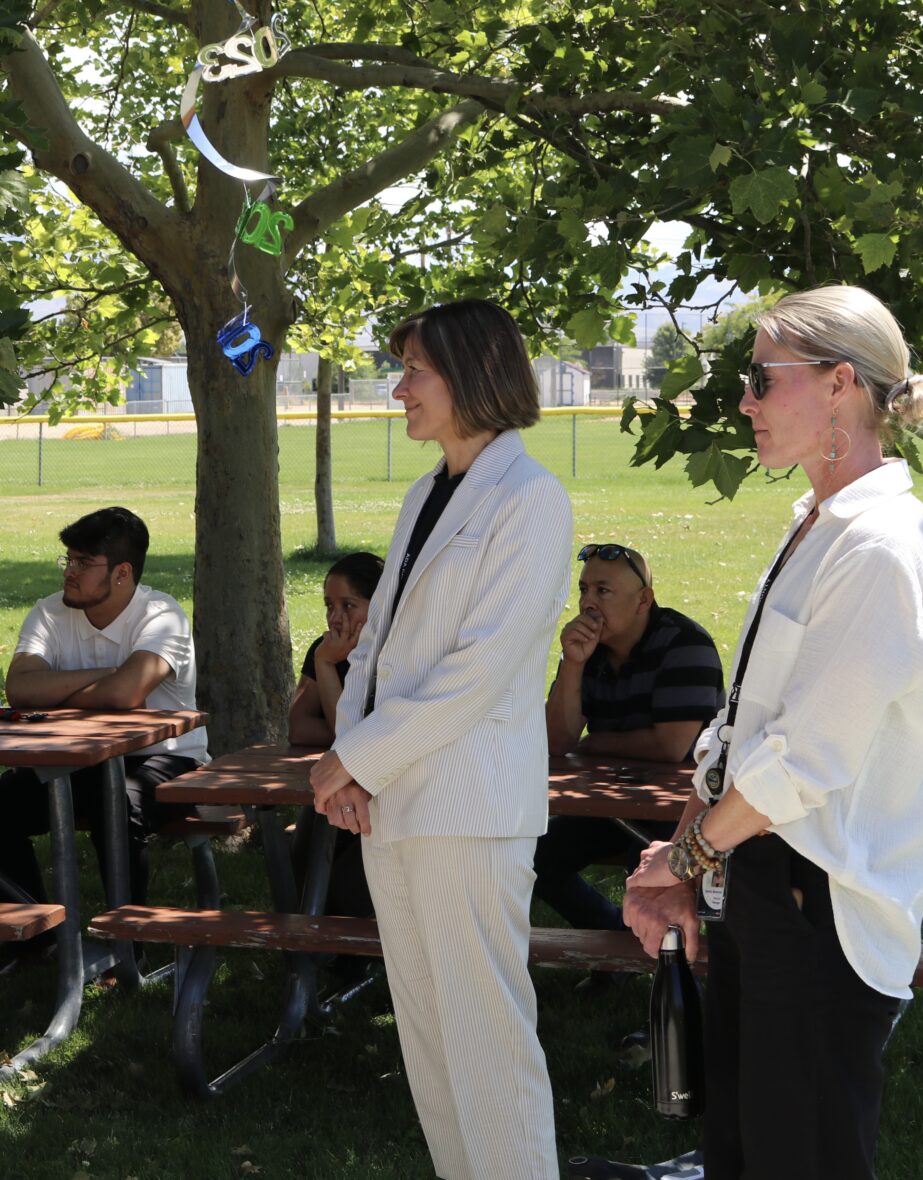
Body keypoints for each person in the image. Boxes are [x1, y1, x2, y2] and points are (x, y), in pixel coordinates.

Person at [624, 285, 923, 1180]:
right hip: (769, 885)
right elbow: (747, 732)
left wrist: (685, 861)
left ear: (840, 383)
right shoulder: (818, 522)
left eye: (763, 379)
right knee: (741, 1154)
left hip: (823, 910)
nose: (745, 403)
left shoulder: (879, 543)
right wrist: (688, 855)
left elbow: (802, 764)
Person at [310, 298, 572, 1180]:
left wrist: (355, 758)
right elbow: (376, 646)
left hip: (470, 811)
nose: (399, 389)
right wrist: (353, 763)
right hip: (395, 809)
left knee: (488, 1050)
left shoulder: (530, 499)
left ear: (471, 375)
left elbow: (480, 670)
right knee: (430, 1050)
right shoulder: (428, 492)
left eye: (414, 370)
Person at [1, 506, 209, 913]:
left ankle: (125, 942)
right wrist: (109, 674)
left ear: (122, 573)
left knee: (116, 805)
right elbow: (20, 688)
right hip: (73, 762)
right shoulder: (50, 612)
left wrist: (55, 692)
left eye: (83, 563)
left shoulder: (162, 616)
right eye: (68, 560)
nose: (69, 572)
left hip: (165, 760)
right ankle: (37, 936)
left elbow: (123, 695)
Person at [534, 543, 724, 938]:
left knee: (646, 871)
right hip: (612, 808)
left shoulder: (685, 644)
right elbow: (556, 741)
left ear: (643, 600)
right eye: (584, 589)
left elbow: (671, 747)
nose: (588, 603)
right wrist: (573, 663)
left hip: (684, 814)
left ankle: (659, 961)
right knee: (535, 860)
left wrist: (594, 744)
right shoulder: (590, 650)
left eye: (603, 591)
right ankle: (613, 938)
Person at [288, 551, 384, 919]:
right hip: (333, 782)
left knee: (348, 879)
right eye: (329, 605)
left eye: (349, 605)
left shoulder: (395, 656)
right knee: (304, 852)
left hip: (380, 791)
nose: (335, 617)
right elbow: (300, 727)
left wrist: (341, 731)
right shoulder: (325, 649)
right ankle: (316, 942)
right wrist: (326, 663)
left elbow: (349, 734)